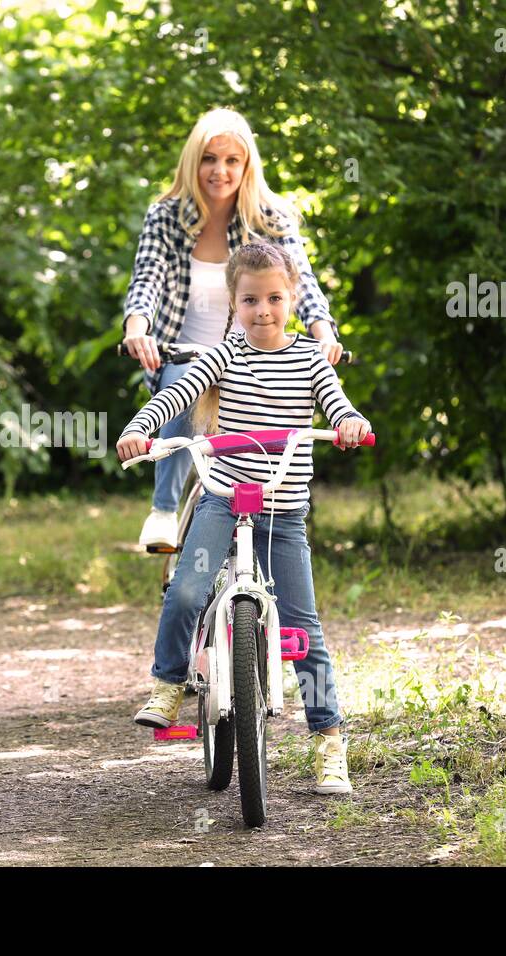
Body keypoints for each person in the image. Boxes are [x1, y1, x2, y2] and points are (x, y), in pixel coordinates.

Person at [117, 241, 370, 795]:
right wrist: (141, 428)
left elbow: (337, 404)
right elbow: (175, 394)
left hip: (283, 509)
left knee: (304, 627)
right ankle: (167, 684)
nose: (263, 310)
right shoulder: (223, 354)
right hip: (224, 497)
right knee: (186, 590)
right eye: (250, 299)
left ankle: (329, 741)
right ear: (234, 302)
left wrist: (350, 422)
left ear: (293, 298)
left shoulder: (307, 357)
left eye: (274, 298)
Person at [121, 107, 344, 552]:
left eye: (231, 160)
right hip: (183, 354)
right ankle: (163, 508)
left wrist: (324, 333)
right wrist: (136, 328)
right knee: (185, 382)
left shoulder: (270, 219)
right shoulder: (165, 216)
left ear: (246, 166)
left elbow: (303, 282)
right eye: (208, 158)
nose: (219, 170)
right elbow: (147, 279)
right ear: (192, 162)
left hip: (252, 353)